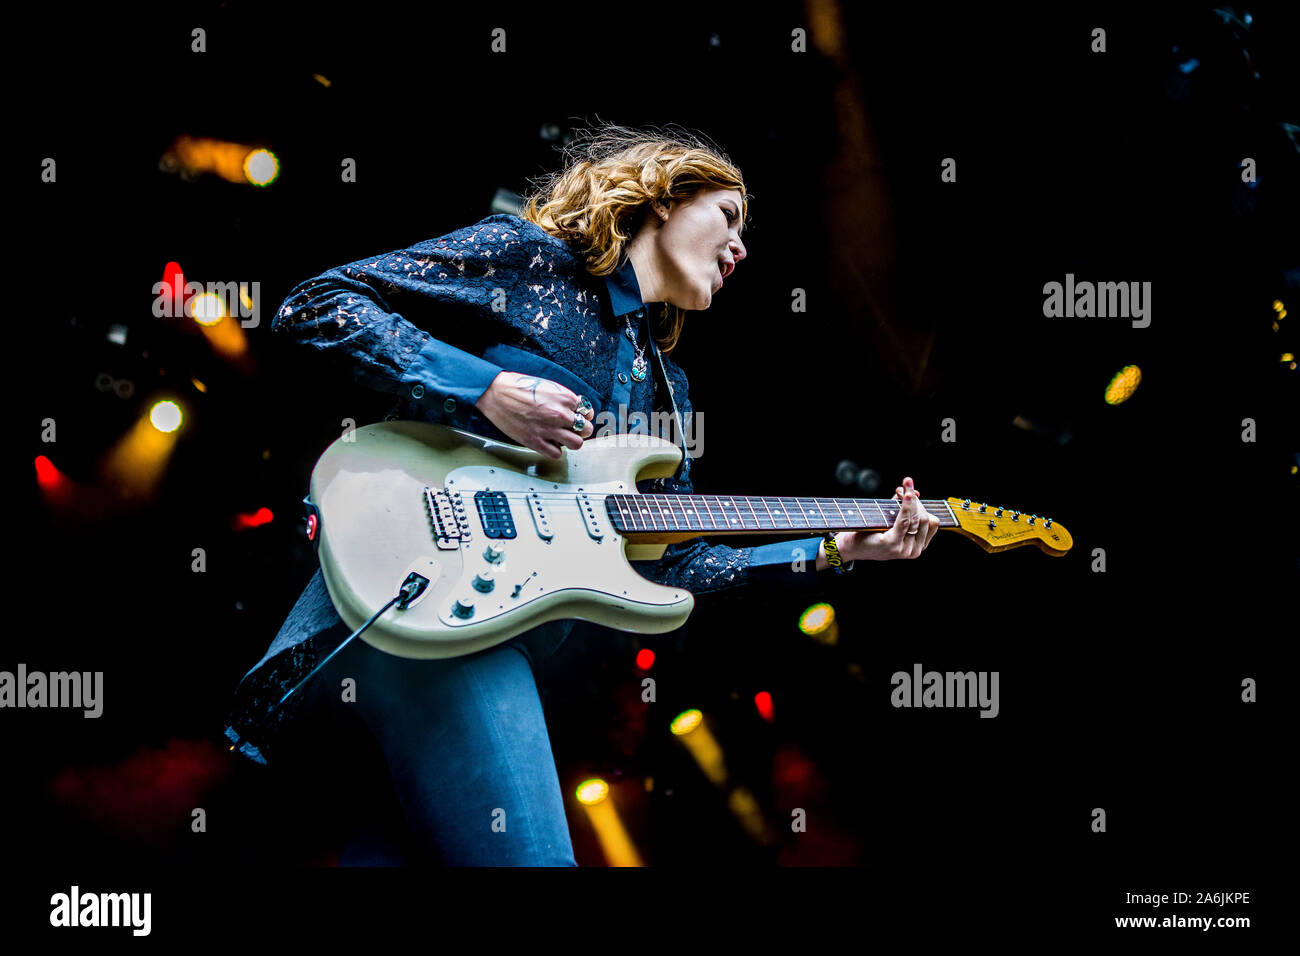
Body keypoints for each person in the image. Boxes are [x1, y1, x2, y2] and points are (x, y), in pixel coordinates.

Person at [222, 124, 940, 866]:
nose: (742, 249)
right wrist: (487, 389)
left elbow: (674, 566)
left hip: (482, 640)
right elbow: (319, 303)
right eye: (729, 216)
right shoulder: (534, 259)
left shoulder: (670, 390)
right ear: (663, 196)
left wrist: (835, 548)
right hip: (421, 611)